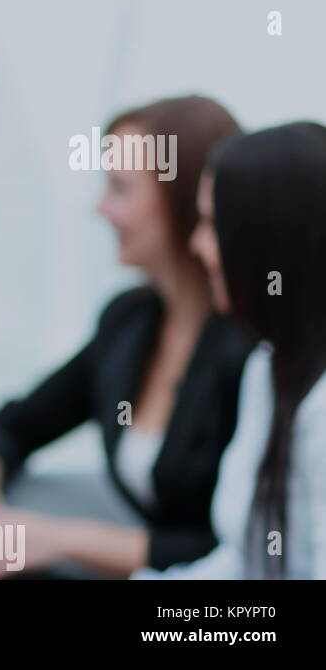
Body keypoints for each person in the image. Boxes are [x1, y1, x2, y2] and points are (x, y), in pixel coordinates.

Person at [0, 96, 252, 578]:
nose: (100, 209)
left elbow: (239, 550)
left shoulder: (253, 350)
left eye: (120, 188)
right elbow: (20, 421)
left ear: (185, 198)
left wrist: (59, 538)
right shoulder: (129, 323)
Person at [135, 122, 326, 579]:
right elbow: (242, 562)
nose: (197, 246)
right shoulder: (267, 368)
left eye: (211, 224)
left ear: (266, 241)